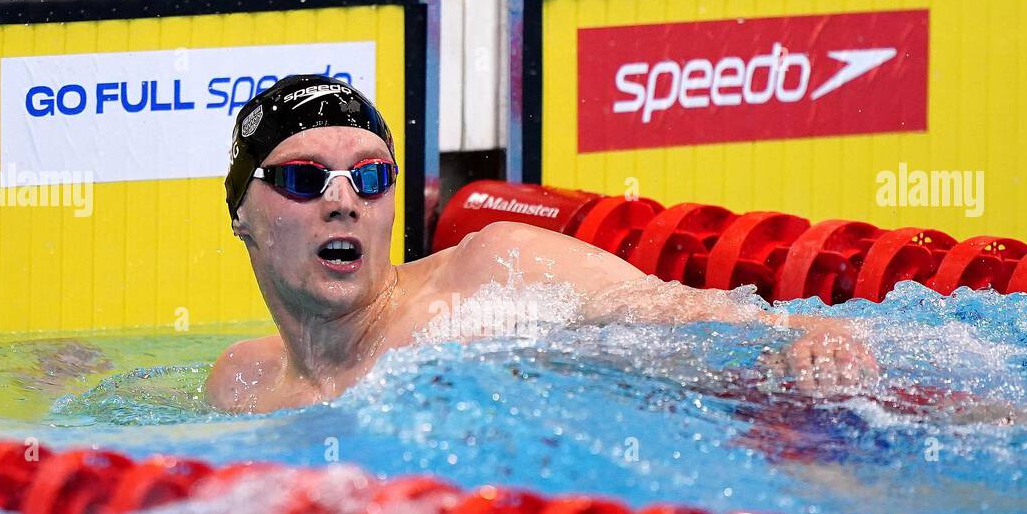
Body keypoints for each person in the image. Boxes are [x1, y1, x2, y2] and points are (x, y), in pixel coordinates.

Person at [205, 73, 878, 414]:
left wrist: (798, 328)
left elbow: (659, 307)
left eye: (371, 177)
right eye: (304, 179)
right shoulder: (239, 382)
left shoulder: (489, 270)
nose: (343, 201)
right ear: (241, 212)